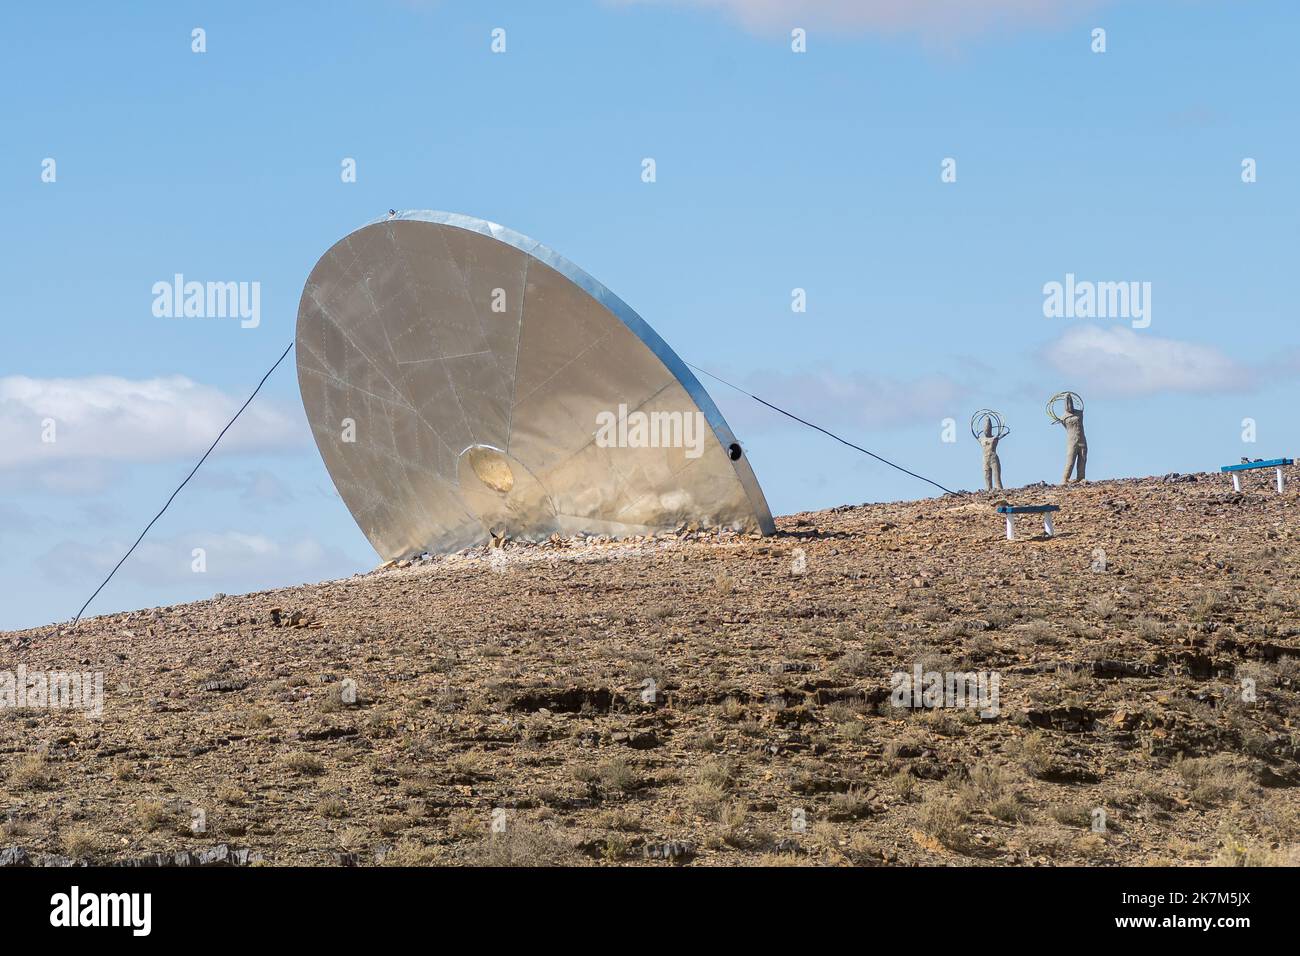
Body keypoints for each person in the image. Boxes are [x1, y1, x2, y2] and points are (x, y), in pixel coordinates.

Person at [1055, 393, 1087, 483]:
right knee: (1070, 460)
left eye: (1070, 401)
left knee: (1083, 458)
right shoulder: (1063, 417)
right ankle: (1065, 479)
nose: (1069, 404)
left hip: (1082, 440)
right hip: (1072, 441)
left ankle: (1081, 477)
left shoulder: (1079, 413)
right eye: (1067, 402)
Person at [978, 417, 1005, 491]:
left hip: (993, 458)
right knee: (987, 475)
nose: (986, 430)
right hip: (985, 459)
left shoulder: (994, 438)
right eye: (985, 429)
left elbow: (999, 436)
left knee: (996, 476)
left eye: (988, 429)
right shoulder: (981, 439)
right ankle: (988, 488)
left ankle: (998, 488)